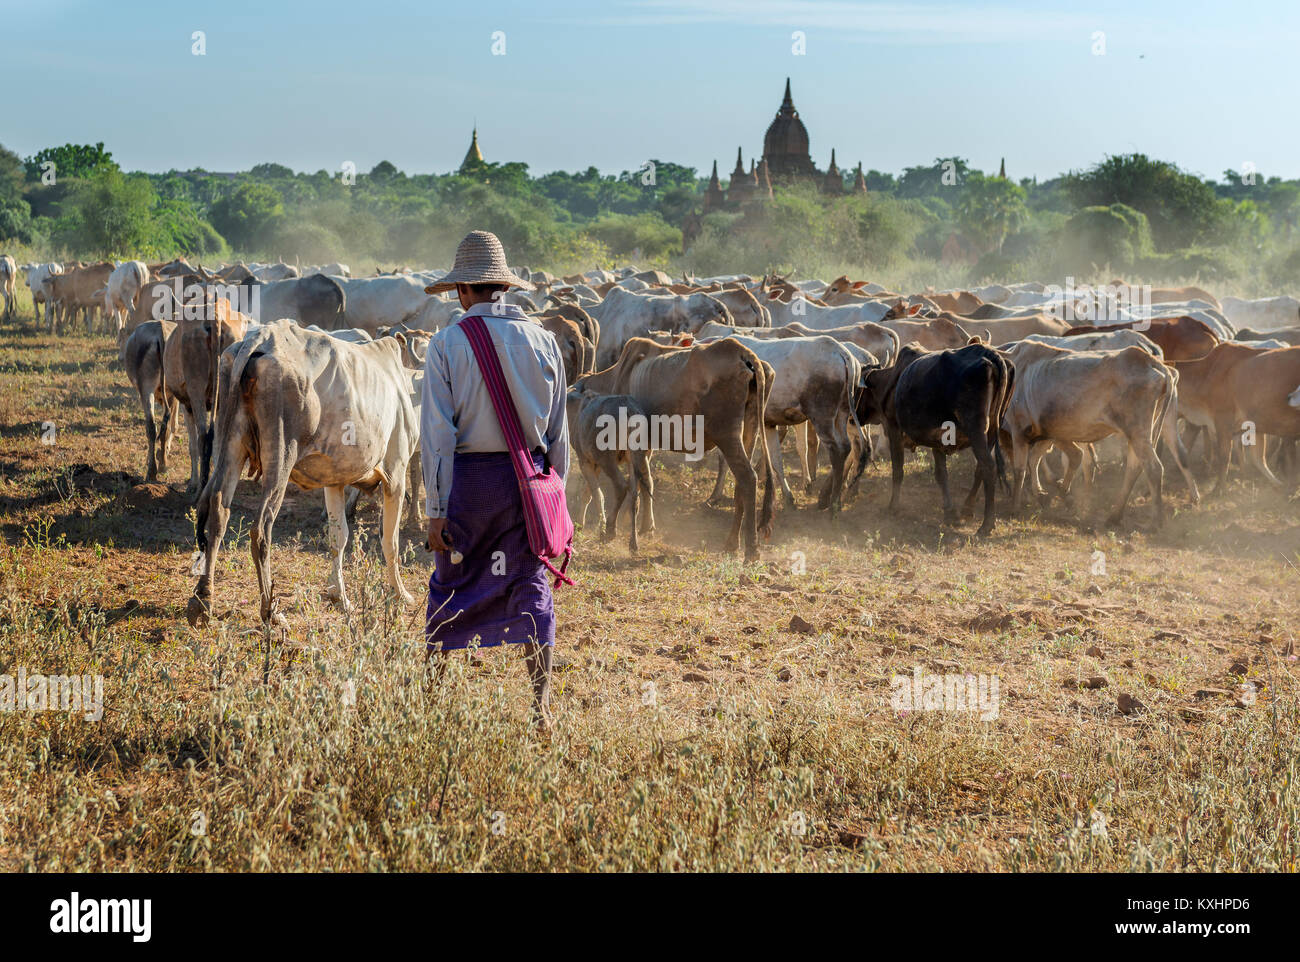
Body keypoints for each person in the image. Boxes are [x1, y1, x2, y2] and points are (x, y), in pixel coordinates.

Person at [420, 231, 569, 730]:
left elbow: (438, 438)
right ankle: (540, 708)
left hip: (468, 486)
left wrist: (436, 510)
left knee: (450, 582)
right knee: (530, 582)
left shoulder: (446, 344)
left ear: (462, 290)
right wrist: (554, 505)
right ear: (502, 287)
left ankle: (432, 706)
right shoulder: (545, 341)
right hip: (527, 484)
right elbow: (557, 438)